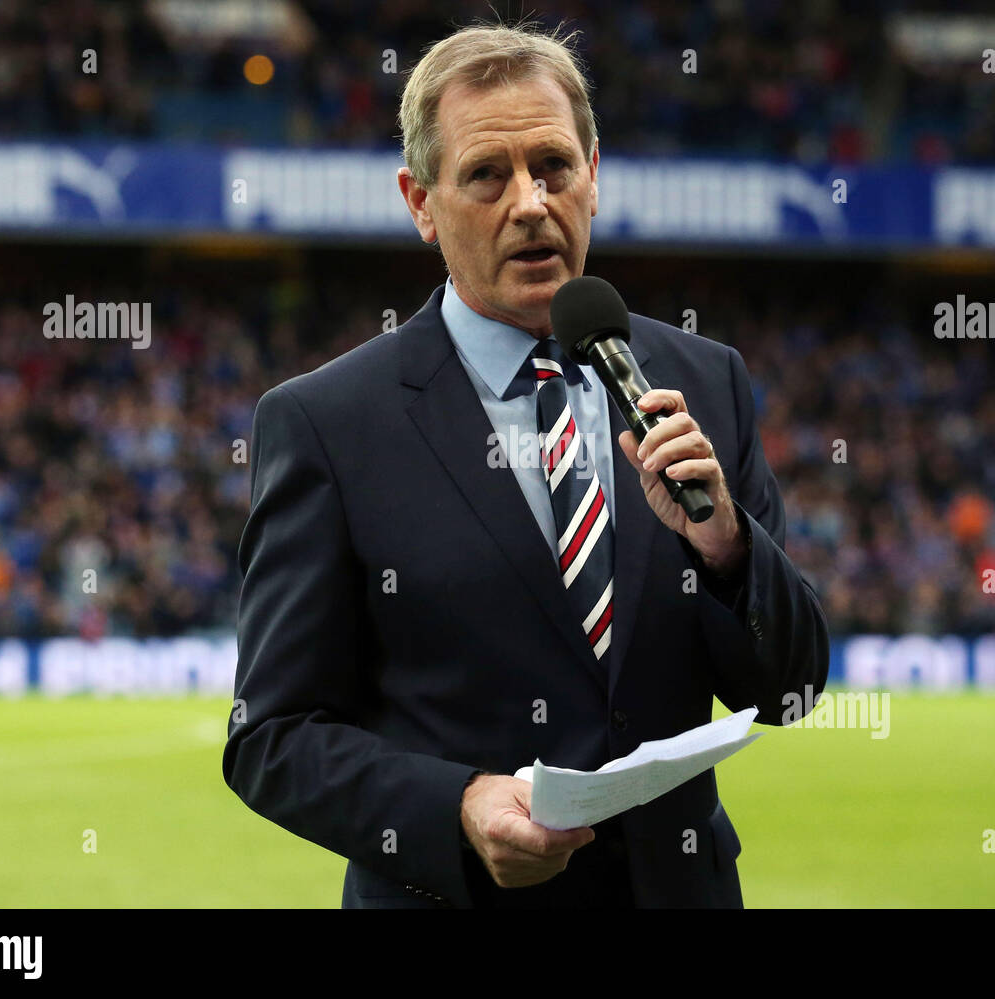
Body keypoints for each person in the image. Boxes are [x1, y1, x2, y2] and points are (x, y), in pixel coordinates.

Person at [223, 22, 829, 908]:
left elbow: (794, 692)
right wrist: (458, 807)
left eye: (553, 166)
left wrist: (729, 550)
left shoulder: (703, 379)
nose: (531, 202)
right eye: (486, 175)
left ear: (594, 173)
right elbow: (270, 737)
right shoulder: (327, 422)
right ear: (420, 202)